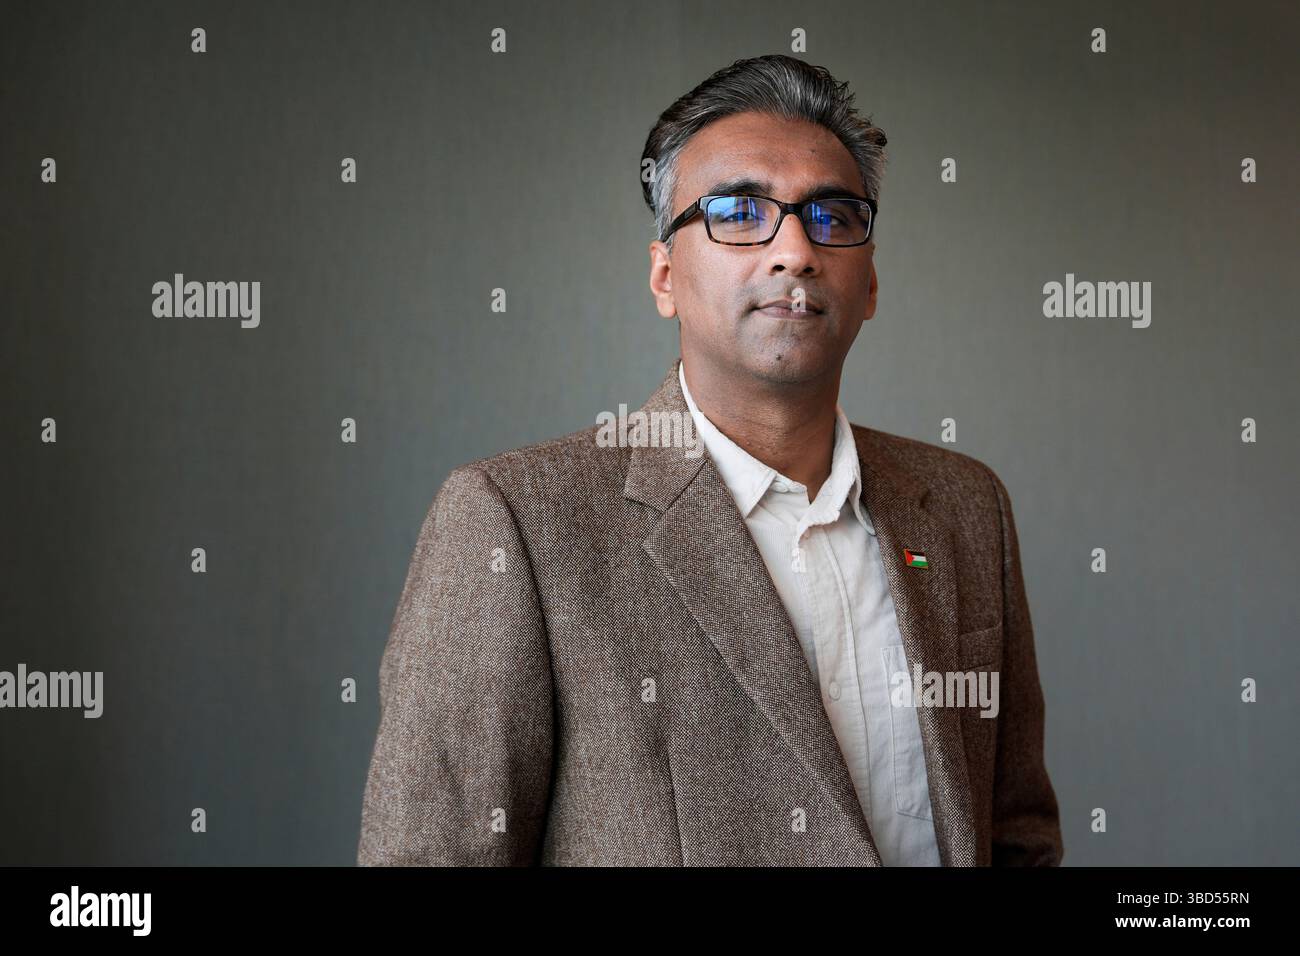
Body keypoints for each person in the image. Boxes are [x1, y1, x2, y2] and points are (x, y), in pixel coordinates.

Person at [357, 54, 1063, 866]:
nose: (795, 249)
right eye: (738, 211)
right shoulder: (515, 520)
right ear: (665, 275)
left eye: (831, 216)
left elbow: (1017, 836)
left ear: (869, 284)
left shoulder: (967, 507)